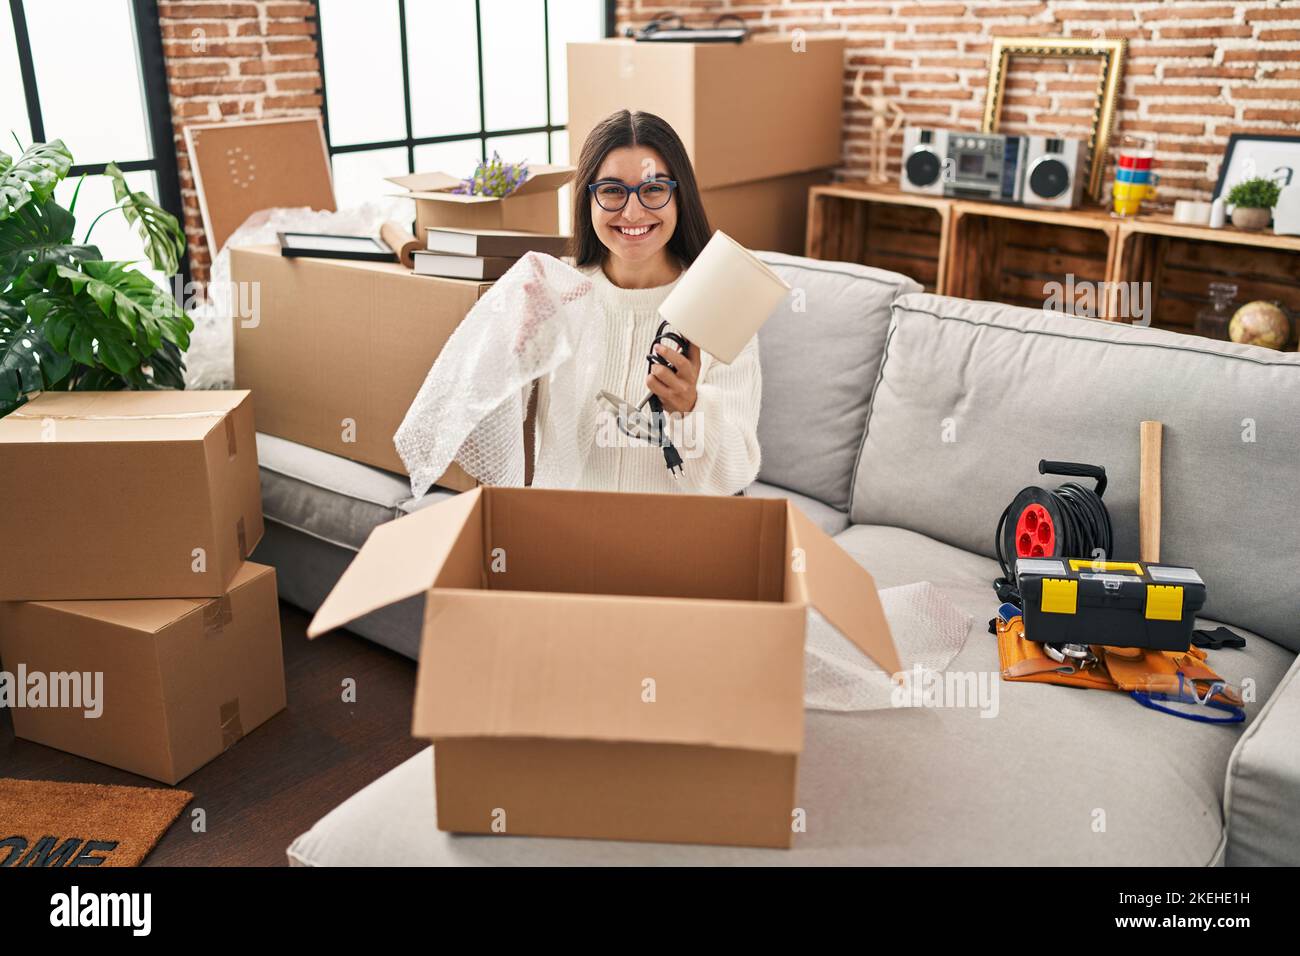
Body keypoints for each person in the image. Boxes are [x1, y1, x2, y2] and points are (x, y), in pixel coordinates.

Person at [530, 108, 762, 495]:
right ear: (588, 199)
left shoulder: (721, 303)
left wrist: (691, 409)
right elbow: (510, 442)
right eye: (612, 190)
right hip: (566, 531)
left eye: (653, 189)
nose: (633, 211)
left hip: (672, 541)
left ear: (678, 196)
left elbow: (734, 474)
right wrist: (515, 362)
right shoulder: (558, 293)